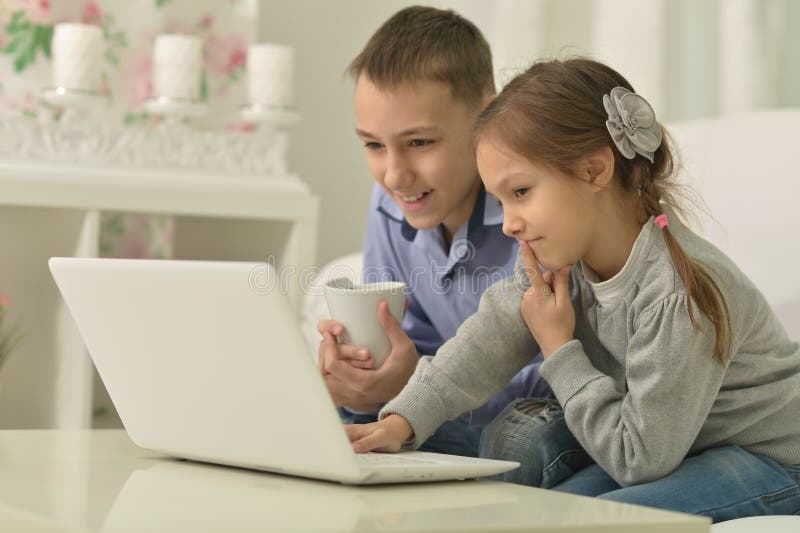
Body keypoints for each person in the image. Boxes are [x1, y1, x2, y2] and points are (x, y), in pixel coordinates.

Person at [344, 57, 800, 522]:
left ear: (593, 171)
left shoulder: (676, 293)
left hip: (769, 458)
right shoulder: (558, 261)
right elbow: (484, 342)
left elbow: (638, 458)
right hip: (679, 444)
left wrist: (558, 347)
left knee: (584, 521)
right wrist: (400, 421)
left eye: (520, 193)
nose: (508, 223)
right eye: (500, 200)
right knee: (541, 510)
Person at [316, 6, 550, 457]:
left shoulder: (534, 211)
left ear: (486, 116)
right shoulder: (390, 204)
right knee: (343, 417)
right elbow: (408, 339)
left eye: (419, 143)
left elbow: (558, 371)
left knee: (524, 437)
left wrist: (418, 387)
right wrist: (362, 373)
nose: (395, 175)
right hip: (440, 410)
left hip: (526, 413)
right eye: (373, 145)